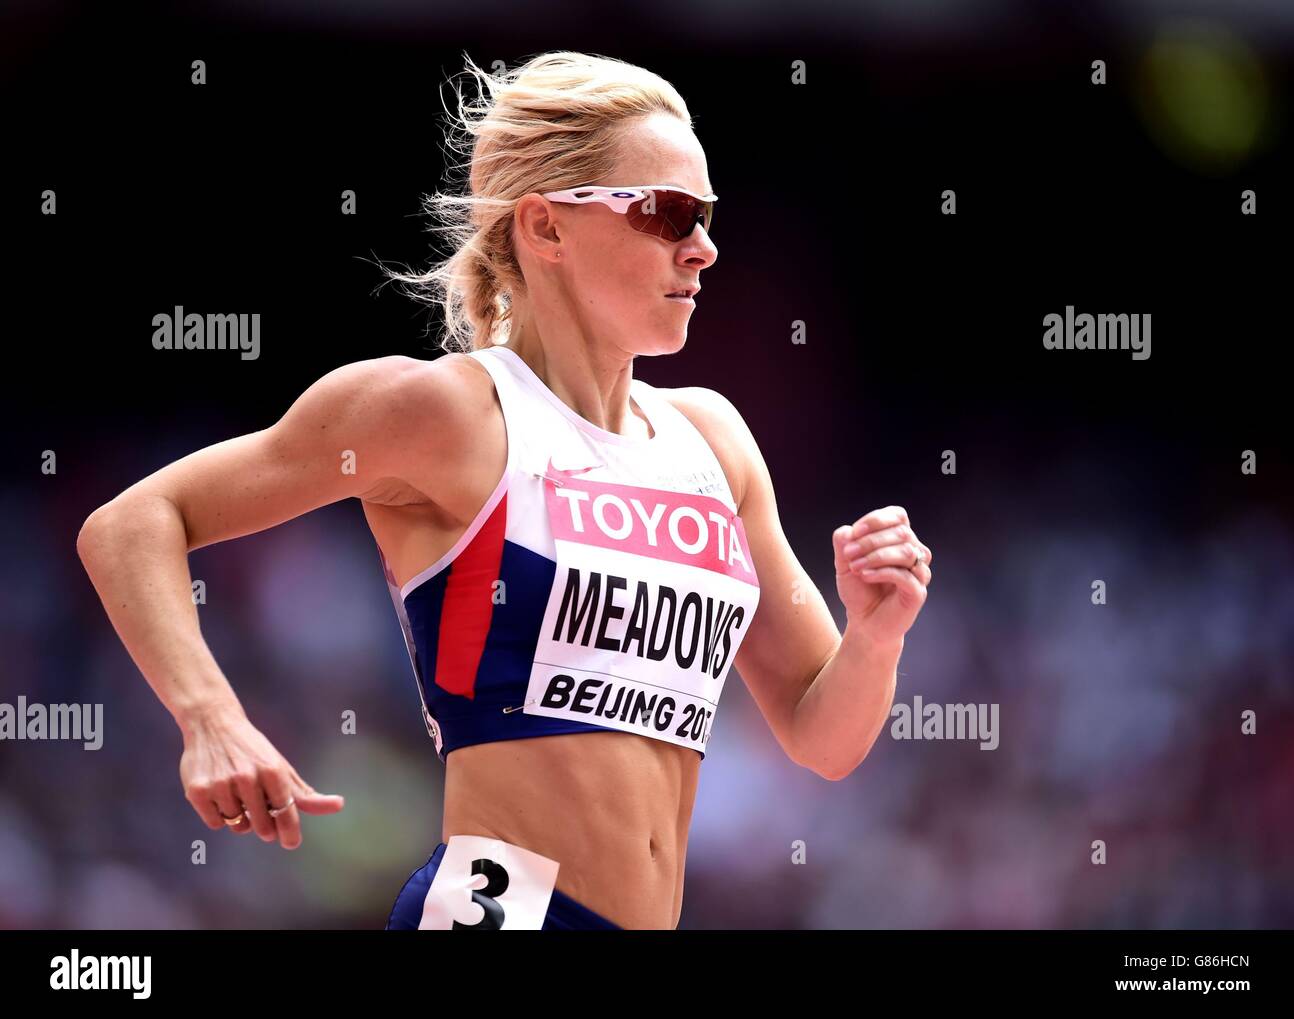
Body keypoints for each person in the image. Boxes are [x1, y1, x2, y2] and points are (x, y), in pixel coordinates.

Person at [76, 50, 933, 931]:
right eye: (669, 212)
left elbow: (821, 735)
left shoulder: (712, 439)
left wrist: (874, 636)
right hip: (501, 912)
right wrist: (211, 717)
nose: (703, 247)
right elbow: (135, 520)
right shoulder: (447, 414)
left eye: (706, 215)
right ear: (545, 228)